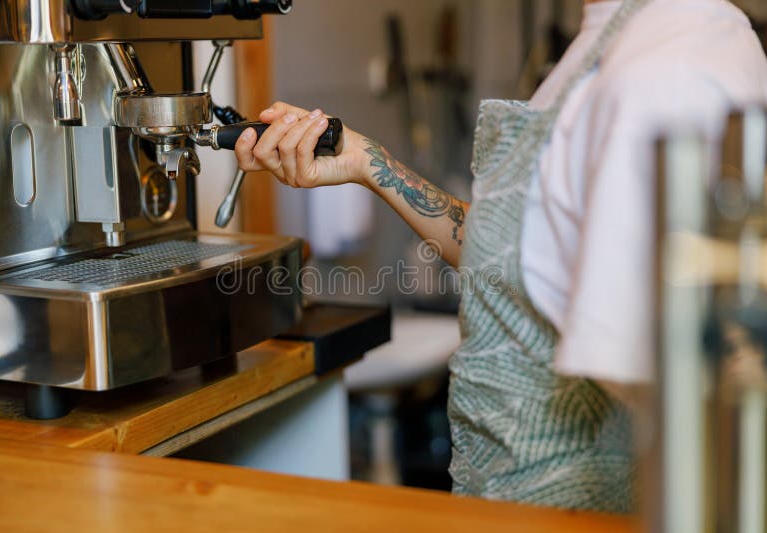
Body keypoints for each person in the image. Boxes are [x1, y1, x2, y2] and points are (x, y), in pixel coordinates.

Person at [235, 0, 767, 512]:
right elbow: (512, 259)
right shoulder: (617, 41)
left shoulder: (671, 57)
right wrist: (368, 161)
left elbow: (686, 390)